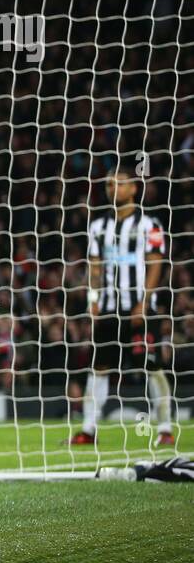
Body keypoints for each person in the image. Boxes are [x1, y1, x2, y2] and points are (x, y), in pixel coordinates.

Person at [67, 167, 175, 447]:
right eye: (108, 184)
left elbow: (155, 263)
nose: (112, 188)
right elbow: (95, 266)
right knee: (99, 367)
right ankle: (88, 429)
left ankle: (165, 428)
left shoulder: (150, 225)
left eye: (118, 183)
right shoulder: (98, 227)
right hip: (108, 309)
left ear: (133, 189)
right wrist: (93, 300)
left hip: (138, 308)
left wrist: (144, 301)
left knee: (151, 366)